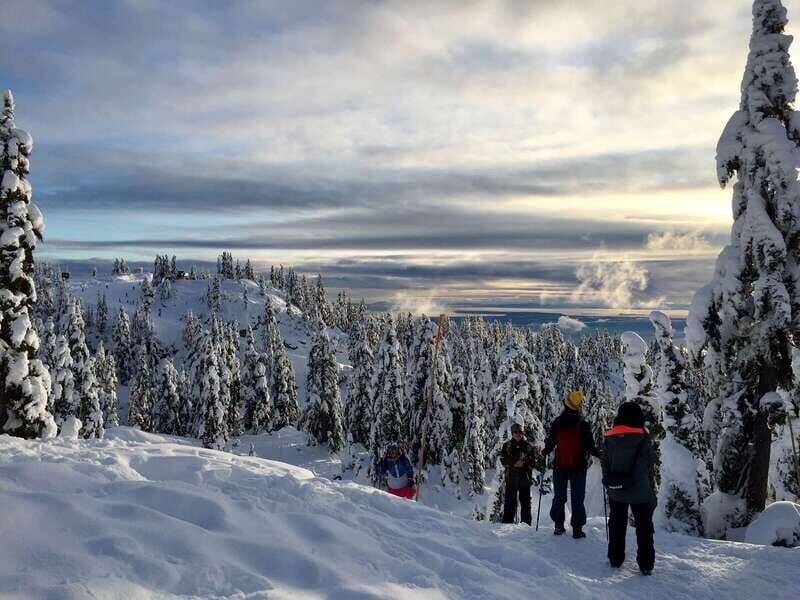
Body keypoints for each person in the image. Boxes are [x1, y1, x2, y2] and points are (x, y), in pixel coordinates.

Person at [601, 401, 657, 575]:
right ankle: (646, 564)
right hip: (639, 490)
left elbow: (605, 462)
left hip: (616, 489)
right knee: (644, 527)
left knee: (617, 524)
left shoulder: (610, 437)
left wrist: (609, 480)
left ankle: (615, 558)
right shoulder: (643, 437)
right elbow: (650, 461)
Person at [541, 390, 601, 538]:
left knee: (559, 496)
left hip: (560, 465)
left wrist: (543, 452)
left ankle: (558, 525)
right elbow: (590, 446)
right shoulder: (583, 424)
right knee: (577, 497)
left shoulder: (558, 422)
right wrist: (600, 454)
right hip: (578, 466)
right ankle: (577, 529)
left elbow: (550, 443)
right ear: (578, 406)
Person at [500, 422, 535, 525]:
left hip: (525, 478)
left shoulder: (528, 446)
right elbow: (503, 460)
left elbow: (533, 461)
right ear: (512, 433)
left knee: (526, 504)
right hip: (511, 478)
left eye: (520, 432)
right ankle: (507, 525)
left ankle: (527, 526)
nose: (518, 434)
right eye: (515, 432)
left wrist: (523, 464)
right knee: (509, 503)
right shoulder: (507, 445)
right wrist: (514, 463)